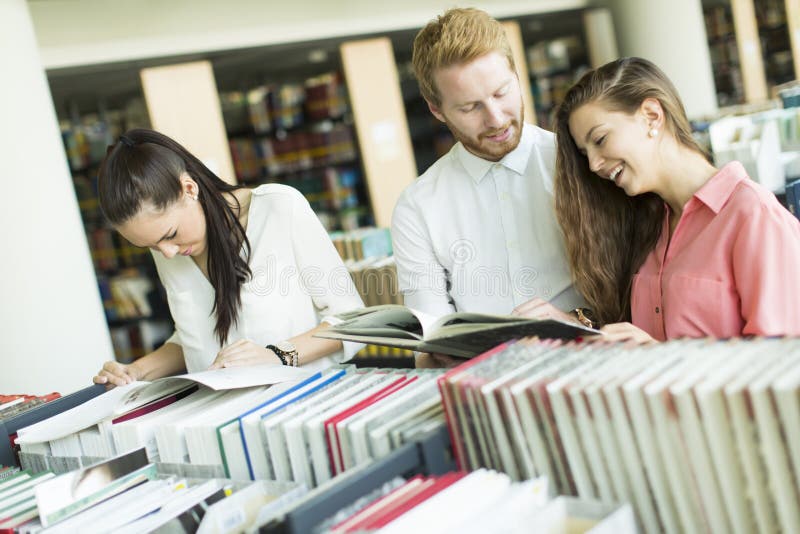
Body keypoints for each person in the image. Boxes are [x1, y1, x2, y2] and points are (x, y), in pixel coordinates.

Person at [553, 56, 800, 342]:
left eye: (600, 140)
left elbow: (784, 358)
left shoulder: (754, 215)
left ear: (651, 115)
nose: (594, 164)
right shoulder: (648, 227)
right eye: (585, 154)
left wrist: (661, 356)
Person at [93, 129, 364, 387]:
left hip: (304, 399)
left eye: (171, 234)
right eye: (151, 246)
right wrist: (136, 371)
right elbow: (195, 338)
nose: (167, 252)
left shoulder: (278, 208)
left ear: (189, 188)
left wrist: (277, 355)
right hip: (223, 411)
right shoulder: (169, 248)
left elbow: (352, 321)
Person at [391, 8, 585, 366]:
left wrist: (574, 322)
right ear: (436, 110)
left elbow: (634, 294)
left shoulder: (580, 163)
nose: (495, 119)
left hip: (591, 366)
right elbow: (430, 337)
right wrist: (438, 350)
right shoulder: (417, 207)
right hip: (484, 380)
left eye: (501, 92)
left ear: (517, 75)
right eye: (470, 107)